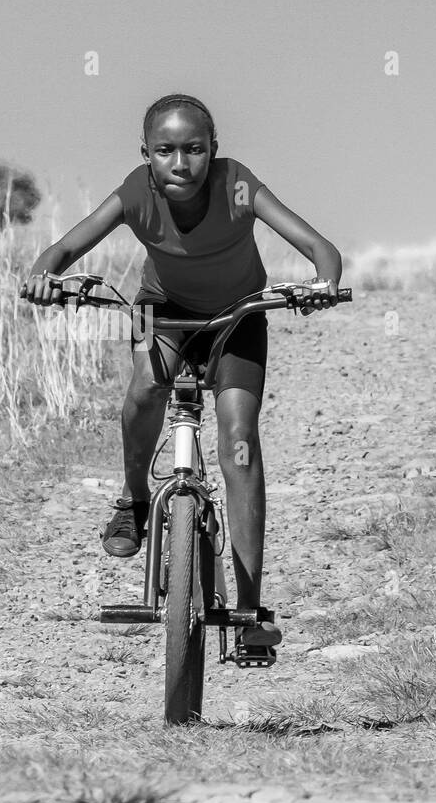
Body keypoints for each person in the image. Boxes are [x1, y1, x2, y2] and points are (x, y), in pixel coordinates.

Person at [22, 93, 343, 651]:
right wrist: (42, 277)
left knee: (239, 437)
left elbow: (319, 246)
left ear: (214, 150)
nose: (181, 162)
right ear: (146, 153)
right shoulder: (134, 193)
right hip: (158, 312)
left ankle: (250, 611)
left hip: (235, 316)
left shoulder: (238, 185)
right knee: (144, 389)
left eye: (195, 148)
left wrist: (324, 283)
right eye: (166, 149)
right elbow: (64, 247)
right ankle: (134, 501)